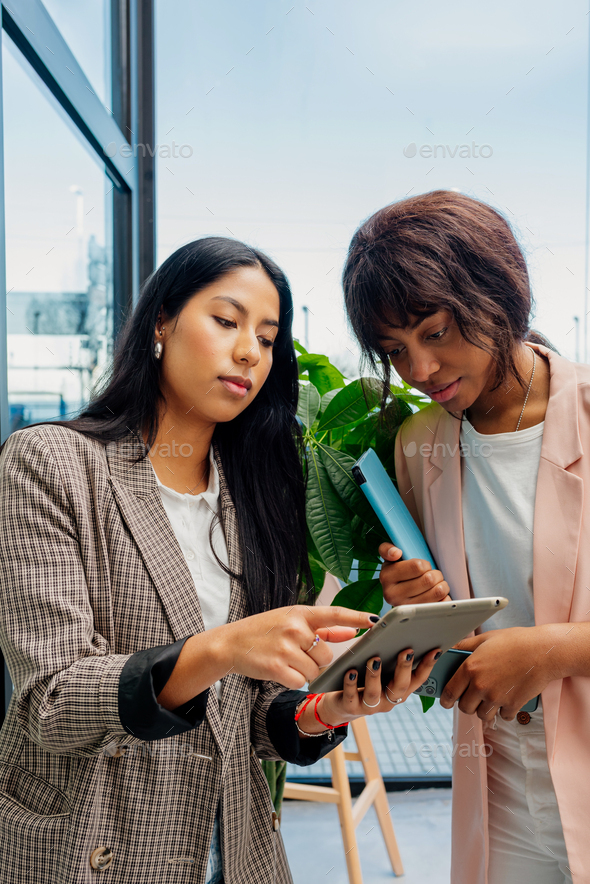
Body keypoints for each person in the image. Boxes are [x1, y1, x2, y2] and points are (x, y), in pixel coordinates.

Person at [0, 236, 439, 884]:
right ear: (161, 320)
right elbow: (53, 704)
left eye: (267, 338)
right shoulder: (49, 463)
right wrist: (224, 647)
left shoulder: (258, 489)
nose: (248, 352)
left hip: (229, 851)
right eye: (226, 321)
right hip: (91, 848)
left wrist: (333, 704)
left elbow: (252, 715)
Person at [342, 190, 590, 884]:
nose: (419, 371)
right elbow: (451, 615)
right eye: (395, 350)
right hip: (502, 786)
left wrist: (551, 648)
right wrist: (412, 599)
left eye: (437, 331)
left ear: (499, 294)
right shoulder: (420, 443)